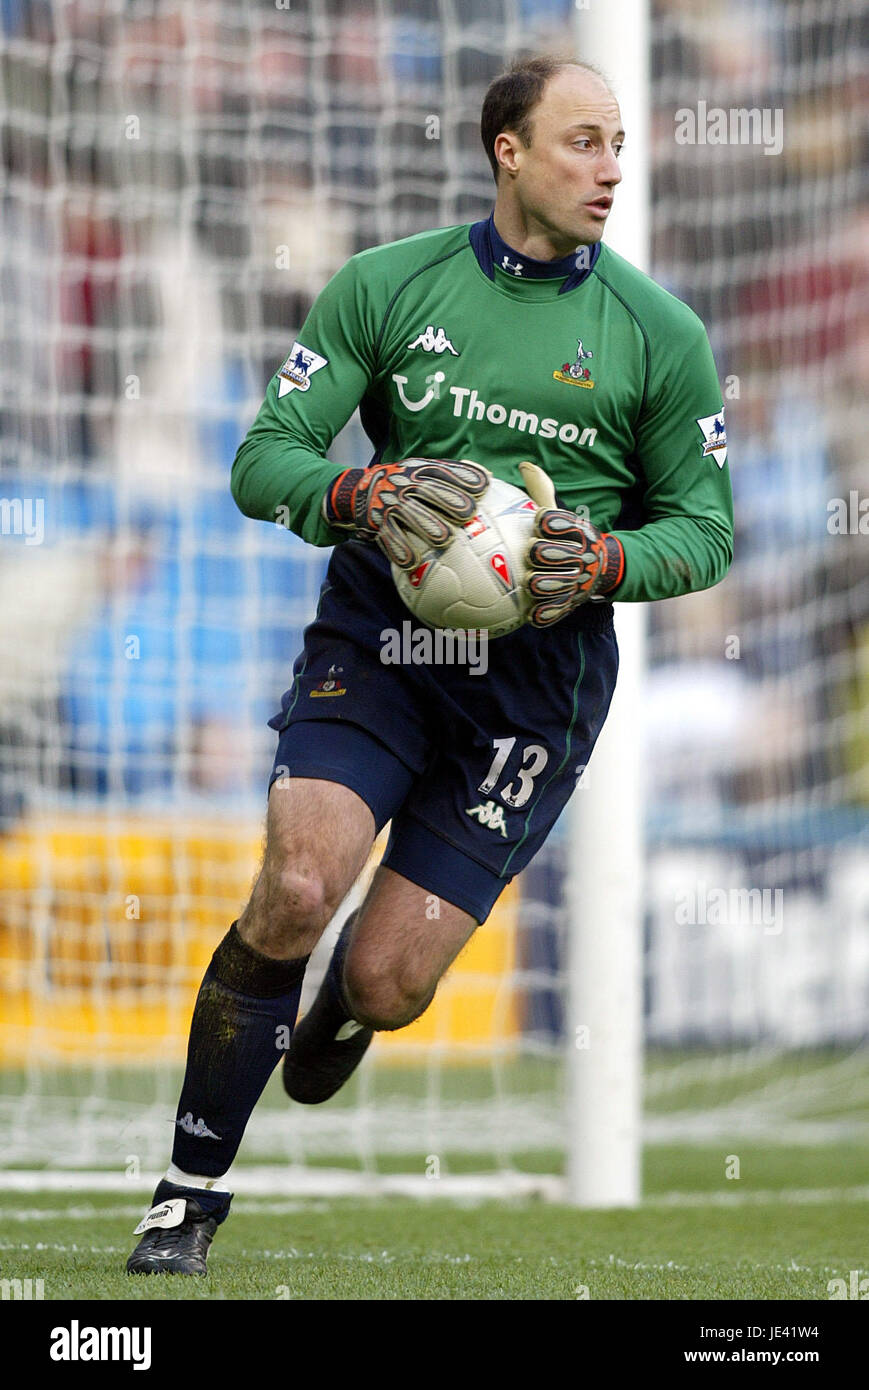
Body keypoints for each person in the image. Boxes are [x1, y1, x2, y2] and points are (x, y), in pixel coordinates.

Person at [126, 54, 733, 1274]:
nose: (610, 168)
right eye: (581, 142)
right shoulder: (386, 286)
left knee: (395, 980)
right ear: (505, 151)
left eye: (617, 143)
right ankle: (186, 1197)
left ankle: (345, 1002)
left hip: (535, 685)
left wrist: (605, 560)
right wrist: (359, 486)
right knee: (298, 886)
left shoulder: (658, 334)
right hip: (384, 640)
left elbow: (706, 529)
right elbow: (266, 459)